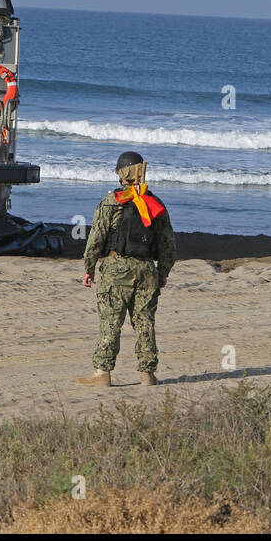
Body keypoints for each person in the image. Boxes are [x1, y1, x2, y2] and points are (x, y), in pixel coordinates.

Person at [76, 151, 177, 386]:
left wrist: (89, 269)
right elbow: (168, 244)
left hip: (116, 268)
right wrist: (162, 273)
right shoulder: (155, 204)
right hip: (146, 269)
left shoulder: (111, 202)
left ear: (121, 174)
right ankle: (147, 374)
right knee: (145, 322)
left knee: (111, 321)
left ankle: (102, 373)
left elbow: (95, 240)